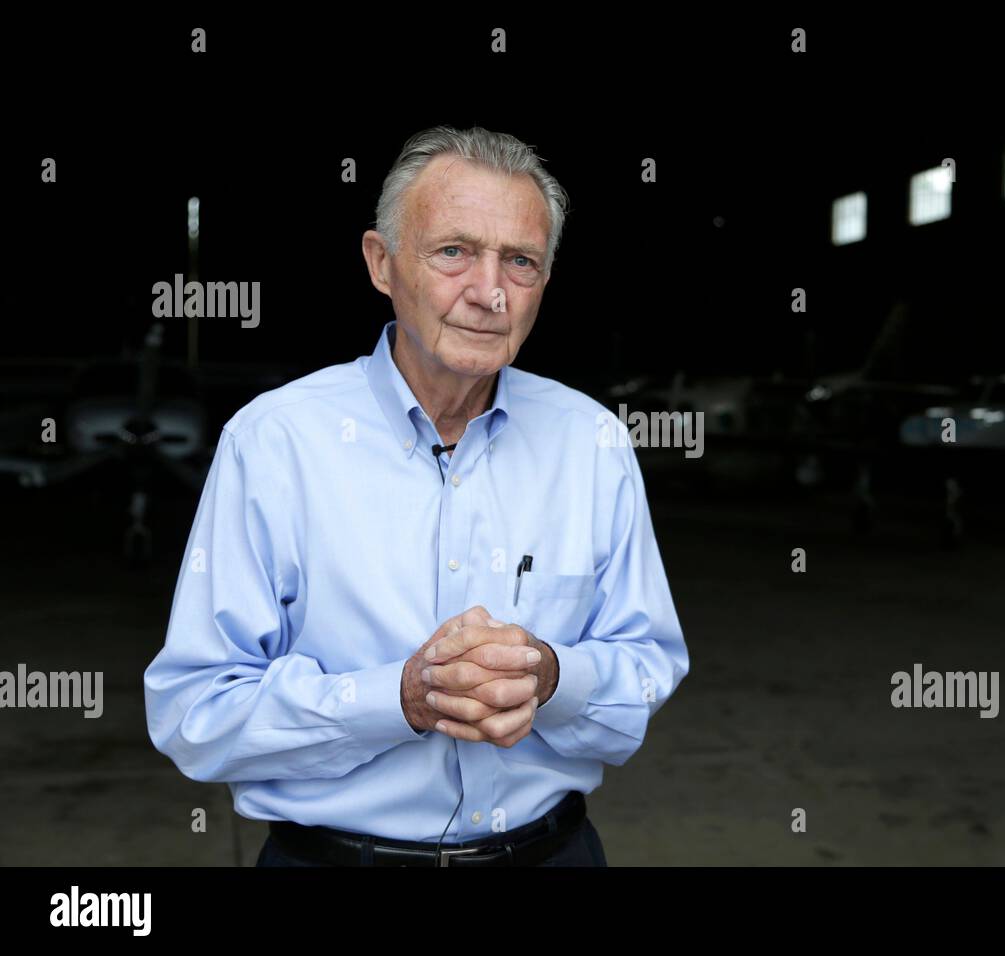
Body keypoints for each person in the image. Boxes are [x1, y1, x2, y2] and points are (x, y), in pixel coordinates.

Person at [143, 126, 689, 866]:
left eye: (520, 262)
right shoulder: (274, 442)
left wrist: (553, 676)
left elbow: (647, 663)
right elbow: (194, 712)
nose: (490, 292)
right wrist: (398, 700)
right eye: (454, 252)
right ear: (382, 263)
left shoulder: (591, 444)